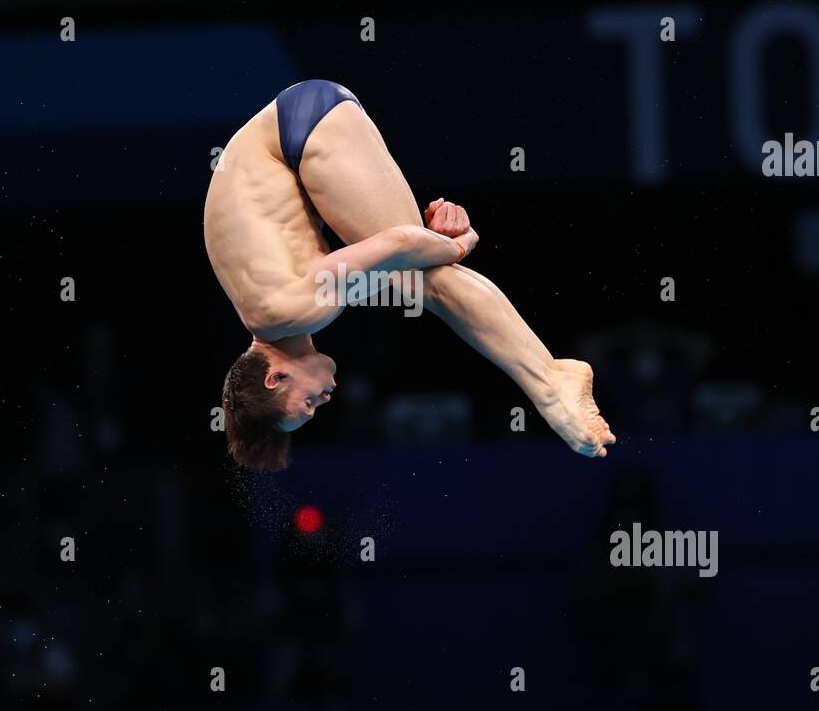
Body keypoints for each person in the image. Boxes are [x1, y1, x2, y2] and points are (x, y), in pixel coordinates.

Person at [204, 79, 615, 470]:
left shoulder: (286, 313)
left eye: (307, 404)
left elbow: (400, 243)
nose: (324, 400)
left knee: (424, 280)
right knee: (414, 276)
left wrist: (457, 245)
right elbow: (396, 255)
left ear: (275, 378)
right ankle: (549, 375)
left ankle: (549, 382)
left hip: (299, 131)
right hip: (298, 124)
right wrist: (429, 242)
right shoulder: (271, 311)